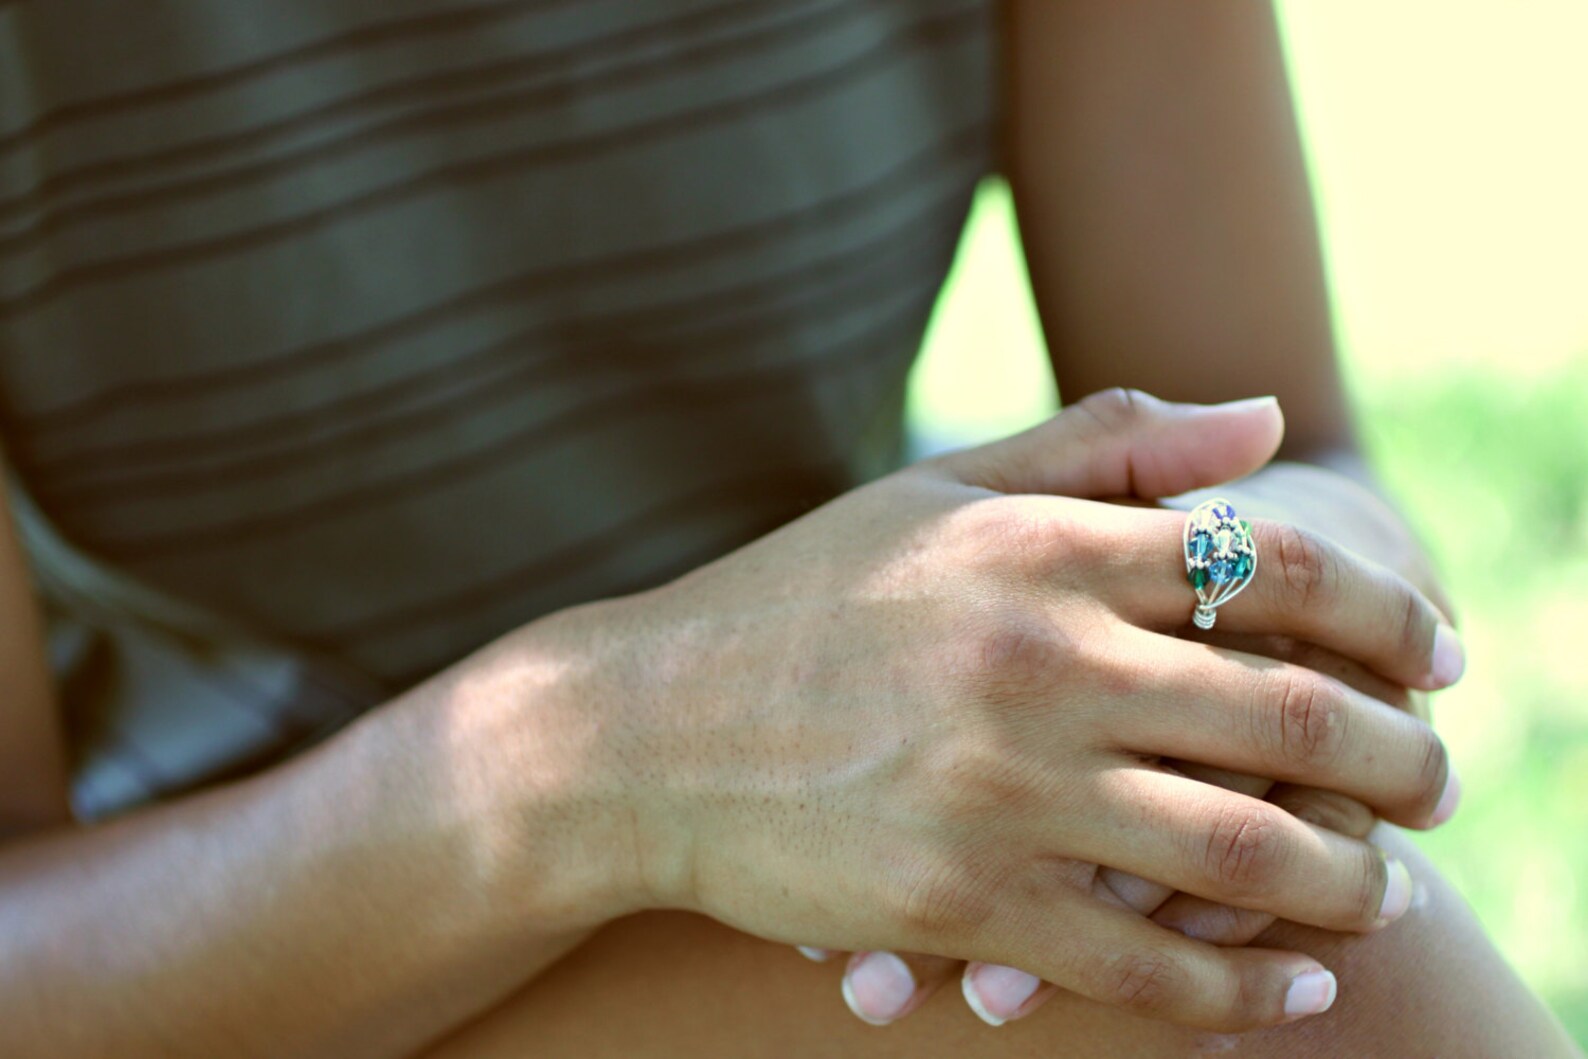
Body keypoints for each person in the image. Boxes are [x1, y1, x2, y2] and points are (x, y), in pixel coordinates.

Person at [0, 1, 1578, 1055]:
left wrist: (1215, 623)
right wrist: (616, 753)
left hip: (893, 760)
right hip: (261, 916)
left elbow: (1295, 443)